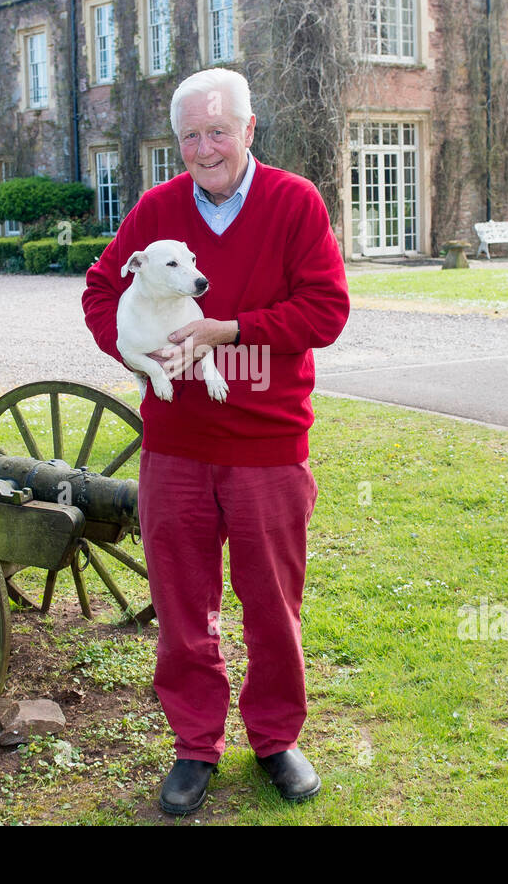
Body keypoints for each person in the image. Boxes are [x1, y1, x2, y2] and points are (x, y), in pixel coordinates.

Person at [81, 68, 349, 815]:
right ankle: (196, 746)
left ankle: (275, 740)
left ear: (249, 129)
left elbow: (326, 309)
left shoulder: (293, 202)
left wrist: (232, 330)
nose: (205, 148)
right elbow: (102, 292)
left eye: (218, 131)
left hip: (267, 442)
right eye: (191, 135)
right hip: (177, 444)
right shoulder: (156, 212)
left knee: (271, 604)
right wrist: (133, 349)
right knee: (182, 603)